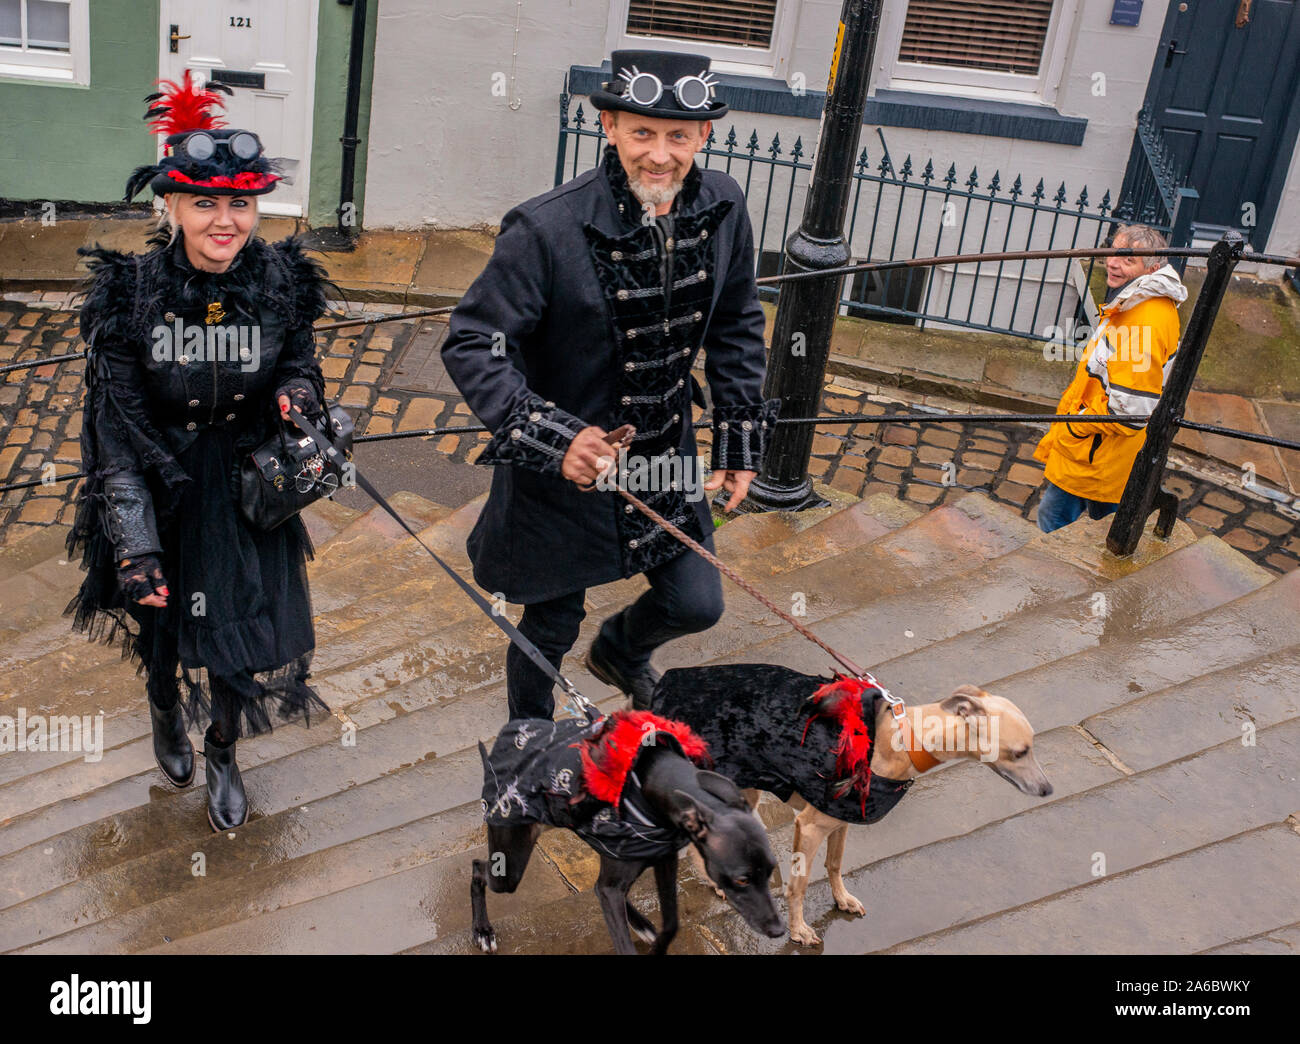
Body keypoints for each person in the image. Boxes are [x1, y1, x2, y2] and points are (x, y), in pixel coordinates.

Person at [441, 49, 778, 720]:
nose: (660, 154)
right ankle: (528, 744)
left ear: (703, 136)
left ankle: (621, 652)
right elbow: (473, 341)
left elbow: (738, 319)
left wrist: (739, 441)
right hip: (564, 469)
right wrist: (552, 437)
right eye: (642, 133)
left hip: (662, 454)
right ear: (610, 127)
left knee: (696, 602)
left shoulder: (725, 206)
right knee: (549, 628)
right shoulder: (544, 229)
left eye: (677, 136)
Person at [65, 72, 333, 831]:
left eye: (240, 203)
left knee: (241, 640)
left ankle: (223, 749)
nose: (226, 222)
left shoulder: (283, 281)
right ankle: (161, 711)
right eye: (206, 203)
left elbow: (297, 361)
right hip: (163, 485)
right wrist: (135, 548)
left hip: (250, 485)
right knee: (163, 629)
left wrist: (298, 395)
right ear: (171, 206)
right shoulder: (129, 299)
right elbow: (114, 438)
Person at [1033, 224, 1187, 532]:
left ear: (1152, 269)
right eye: (1114, 252)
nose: (1113, 262)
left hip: (1095, 452)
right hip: (1101, 454)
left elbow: (1131, 413)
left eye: (1128, 259)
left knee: (1053, 522)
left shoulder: (1144, 321)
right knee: (1107, 518)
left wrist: (1077, 426)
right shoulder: (1137, 305)